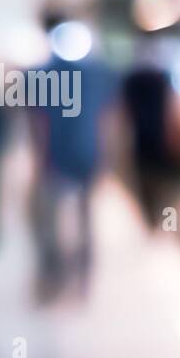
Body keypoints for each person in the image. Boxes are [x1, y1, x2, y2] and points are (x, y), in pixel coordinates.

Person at [28, 22, 116, 303]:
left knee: (52, 221)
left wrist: (40, 160)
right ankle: (78, 279)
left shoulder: (42, 74)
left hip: (59, 157)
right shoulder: (96, 74)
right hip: (83, 155)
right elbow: (106, 120)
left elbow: (38, 123)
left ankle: (57, 278)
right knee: (80, 220)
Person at [120, 48, 175, 229]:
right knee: (154, 184)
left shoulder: (136, 78)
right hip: (154, 140)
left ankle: (152, 219)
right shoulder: (160, 78)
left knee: (151, 183)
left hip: (150, 140)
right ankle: (154, 220)